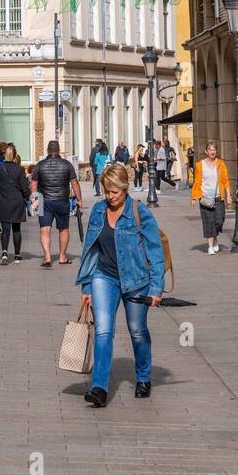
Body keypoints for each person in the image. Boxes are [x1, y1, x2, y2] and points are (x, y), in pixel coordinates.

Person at [77, 162, 164, 408]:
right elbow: (89, 250)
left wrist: (156, 289)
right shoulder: (97, 211)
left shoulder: (139, 211)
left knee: (137, 330)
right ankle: (99, 388)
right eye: (107, 191)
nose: (110, 196)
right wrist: (86, 287)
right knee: (104, 331)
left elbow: (155, 250)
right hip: (103, 277)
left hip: (136, 280)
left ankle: (144, 377)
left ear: (125, 188)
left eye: (115, 191)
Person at [34, 139, 82, 266]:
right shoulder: (67, 164)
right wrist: (79, 199)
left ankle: (48, 257)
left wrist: (35, 200)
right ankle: (62, 257)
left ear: (47, 151)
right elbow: (74, 183)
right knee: (64, 229)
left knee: (44, 229)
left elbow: (34, 184)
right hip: (62, 201)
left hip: (44, 201)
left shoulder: (40, 165)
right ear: (59, 150)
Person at [0, 145, 29, 265]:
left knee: (5, 229)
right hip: (16, 201)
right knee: (16, 228)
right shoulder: (20, 169)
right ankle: (17, 255)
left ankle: (5, 253)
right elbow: (24, 189)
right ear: (15, 155)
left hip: (3, 200)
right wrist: (30, 197)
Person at [192, 141, 232, 253]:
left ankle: (215, 238)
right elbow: (197, 182)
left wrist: (228, 195)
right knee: (208, 221)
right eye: (210, 149)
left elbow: (225, 180)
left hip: (219, 198)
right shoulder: (200, 165)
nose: (212, 151)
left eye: (214, 149)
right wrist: (194, 197)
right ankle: (210, 246)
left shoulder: (220, 164)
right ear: (206, 151)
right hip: (205, 198)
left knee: (219, 220)